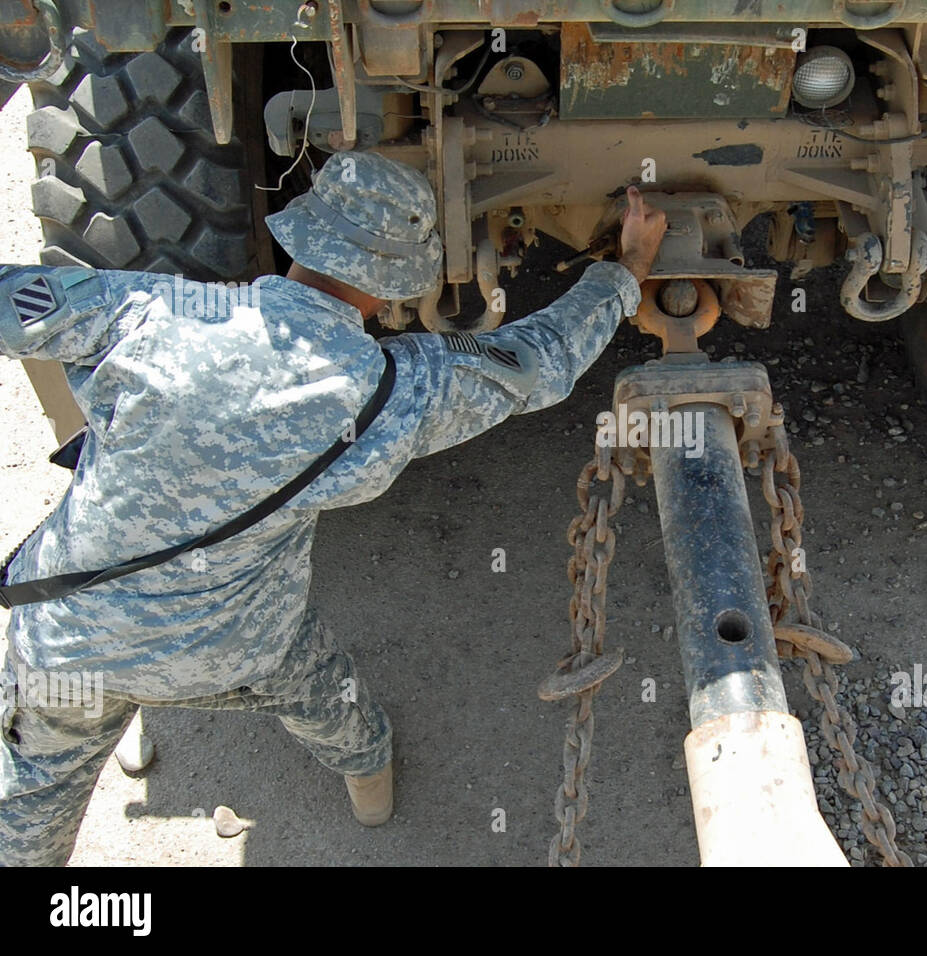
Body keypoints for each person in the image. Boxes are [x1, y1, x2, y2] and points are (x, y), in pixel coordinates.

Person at [0, 151, 666, 866]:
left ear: (300, 236)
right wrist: (621, 274)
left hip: (69, 643)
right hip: (241, 651)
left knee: (28, 807)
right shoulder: (386, 393)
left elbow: (18, 303)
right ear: (392, 290)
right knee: (331, 702)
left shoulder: (151, 311)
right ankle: (370, 784)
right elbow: (538, 362)